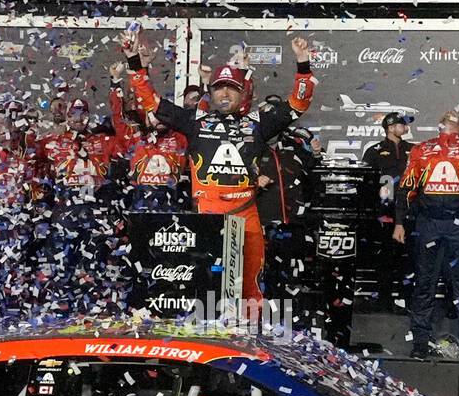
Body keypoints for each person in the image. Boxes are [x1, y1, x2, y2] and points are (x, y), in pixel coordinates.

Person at [124, 31, 317, 309]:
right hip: (206, 217)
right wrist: (133, 61)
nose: (224, 93)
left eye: (231, 88)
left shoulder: (258, 122)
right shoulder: (195, 121)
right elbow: (151, 102)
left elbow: (298, 104)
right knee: (205, 286)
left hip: (246, 214)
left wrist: (302, 64)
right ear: (210, 92)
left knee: (250, 285)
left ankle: (249, 343)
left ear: (242, 93)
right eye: (218, 88)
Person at [395, 112, 459, 360]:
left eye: (455, 117)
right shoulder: (422, 148)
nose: (449, 117)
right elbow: (406, 188)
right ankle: (420, 340)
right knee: (424, 283)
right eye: (445, 116)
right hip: (428, 223)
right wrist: (399, 221)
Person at [108, 62, 188, 212]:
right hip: (140, 210)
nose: (157, 119)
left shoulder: (181, 138)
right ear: (143, 118)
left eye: (161, 116)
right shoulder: (134, 138)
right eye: (152, 116)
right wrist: (115, 81)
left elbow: (198, 120)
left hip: (172, 211)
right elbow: (118, 117)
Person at [364, 111, 415, 308]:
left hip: (410, 210)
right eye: (402, 124)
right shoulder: (374, 151)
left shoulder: (414, 149)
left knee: (409, 255)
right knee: (385, 256)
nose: (406, 127)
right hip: (384, 211)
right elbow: (366, 182)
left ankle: (407, 297)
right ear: (391, 127)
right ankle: (383, 298)